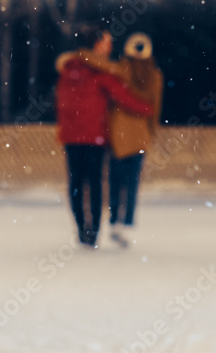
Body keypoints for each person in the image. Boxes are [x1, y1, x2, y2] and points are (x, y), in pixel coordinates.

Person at [55, 27, 153, 248]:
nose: (110, 47)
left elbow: (60, 104)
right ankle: (94, 231)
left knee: (76, 183)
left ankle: (82, 229)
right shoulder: (100, 72)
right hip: (94, 137)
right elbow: (123, 96)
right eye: (107, 43)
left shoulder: (67, 71)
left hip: (71, 138)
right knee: (95, 184)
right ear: (96, 45)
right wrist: (148, 109)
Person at [107, 33, 163, 248]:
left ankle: (115, 220)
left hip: (118, 132)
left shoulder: (121, 70)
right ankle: (127, 221)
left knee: (115, 181)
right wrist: (152, 131)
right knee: (132, 182)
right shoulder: (154, 75)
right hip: (141, 134)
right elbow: (155, 106)